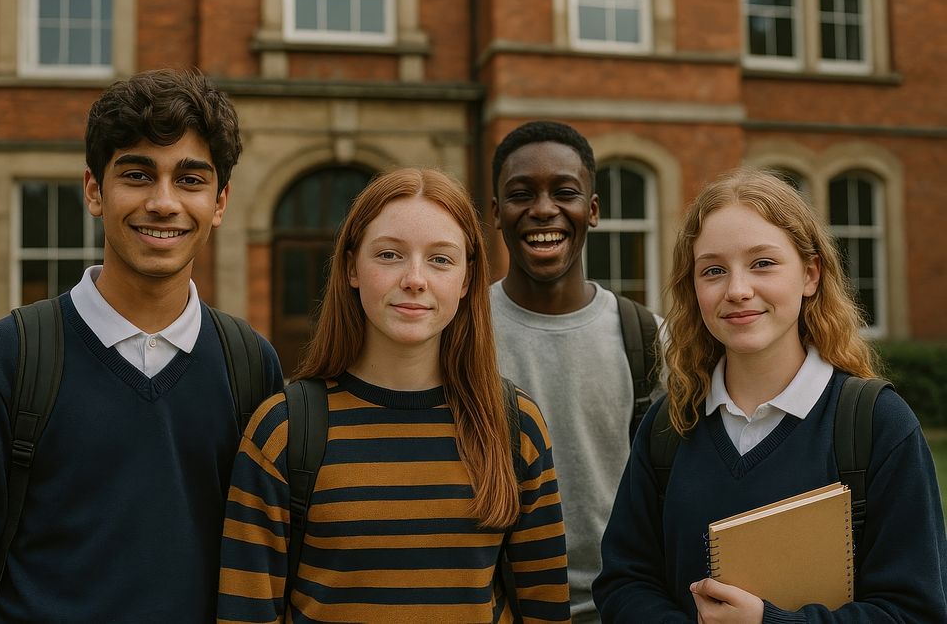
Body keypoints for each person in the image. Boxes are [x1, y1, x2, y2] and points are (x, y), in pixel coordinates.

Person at [0, 69, 284, 622]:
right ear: (94, 190)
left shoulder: (250, 364)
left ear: (220, 202)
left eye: (191, 180)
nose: (163, 202)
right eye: (137, 174)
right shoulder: (5, 360)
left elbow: (266, 565)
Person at [592, 168, 947, 622]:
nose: (738, 290)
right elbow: (624, 583)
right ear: (693, 288)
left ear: (811, 275)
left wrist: (768, 621)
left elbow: (914, 612)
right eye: (714, 271)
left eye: (763, 263)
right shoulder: (669, 424)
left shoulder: (878, 425)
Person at [217, 167, 571, 622]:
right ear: (351, 268)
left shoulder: (514, 423)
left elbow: (546, 608)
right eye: (389, 255)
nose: (415, 279)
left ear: (466, 280)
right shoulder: (284, 430)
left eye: (441, 259)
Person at [490, 120, 660, 622]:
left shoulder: (650, 339)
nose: (543, 209)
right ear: (496, 214)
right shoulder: (458, 333)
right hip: (499, 611)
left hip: (623, 609)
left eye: (564, 192)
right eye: (521, 194)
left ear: (593, 210)